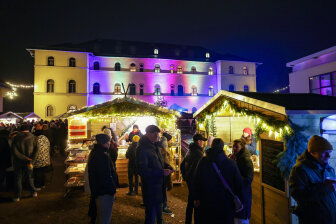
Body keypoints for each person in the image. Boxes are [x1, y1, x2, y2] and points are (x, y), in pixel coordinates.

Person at [193, 138, 244, 224]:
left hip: (207, 204)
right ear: (222, 147)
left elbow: (197, 180)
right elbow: (239, 185)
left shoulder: (203, 161)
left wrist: (197, 197)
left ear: (212, 146)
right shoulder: (231, 164)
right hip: (226, 206)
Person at [289, 135, 336, 224]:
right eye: (324, 152)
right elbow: (298, 195)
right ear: (312, 152)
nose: (328, 155)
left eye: (329, 151)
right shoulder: (300, 170)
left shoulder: (328, 169)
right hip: (313, 220)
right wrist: (325, 187)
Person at [136, 125, 172, 224]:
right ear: (147, 134)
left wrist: (167, 166)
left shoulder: (155, 146)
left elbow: (159, 162)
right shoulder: (143, 149)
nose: (156, 135)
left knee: (159, 207)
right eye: (153, 133)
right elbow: (143, 171)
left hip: (159, 184)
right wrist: (161, 172)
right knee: (151, 213)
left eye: (157, 133)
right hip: (150, 186)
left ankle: (160, 221)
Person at [88, 134, 118, 224]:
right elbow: (105, 175)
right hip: (104, 191)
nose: (109, 143)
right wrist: (112, 188)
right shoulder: (102, 155)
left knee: (101, 215)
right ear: (104, 142)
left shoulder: (96, 152)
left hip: (99, 190)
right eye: (108, 141)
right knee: (105, 217)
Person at [180, 133, 207, 224]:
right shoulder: (199, 153)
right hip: (194, 182)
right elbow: (198, 171)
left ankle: (187, 221)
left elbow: (182, 165)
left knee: (190, 202)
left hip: (190, 180)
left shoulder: (190, 150)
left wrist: (185, 177)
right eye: (202, 141)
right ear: (199, 141)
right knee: (196, 204)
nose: (203, 143)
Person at [12, 124, 38, 201]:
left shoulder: (16, 138)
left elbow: (15, 151)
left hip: (18, 162)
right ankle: (33, 192)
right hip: (29, 162)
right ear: (28, 130)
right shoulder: (33, 137)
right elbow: (36, 150)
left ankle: (17, 196)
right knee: (29, 177)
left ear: (20, 130)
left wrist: (25, 158)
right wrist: (31, 160)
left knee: (18, 179)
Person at [230, 139, 254, 224]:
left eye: (237, 147)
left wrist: (237, 180)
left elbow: (249, 178)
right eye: (234, 146)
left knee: (242, 219)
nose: (234, 148)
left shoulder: (245, 159)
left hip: (243, 193)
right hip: (238, 194)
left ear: (242, 147)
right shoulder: (237, 157)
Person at [159, 132, 174, 215]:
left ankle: (164, 206)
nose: (171, 142)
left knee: (163, 190)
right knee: (163, 190)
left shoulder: (162, 149)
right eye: (170, 140)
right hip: (164, 173)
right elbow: (165, 162)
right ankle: (163, 207)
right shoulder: (163, 151)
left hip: (164, 172)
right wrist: (169, 167)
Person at [33, 122, 51, 188]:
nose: (37, 127)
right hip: (45, 158)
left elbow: (35, 149)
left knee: (38, 173)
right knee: (42, 172)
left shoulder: (36, 137)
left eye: (38, 126)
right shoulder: (46, 137)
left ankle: (38, 185)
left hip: (38, 158)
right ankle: (42, 184)